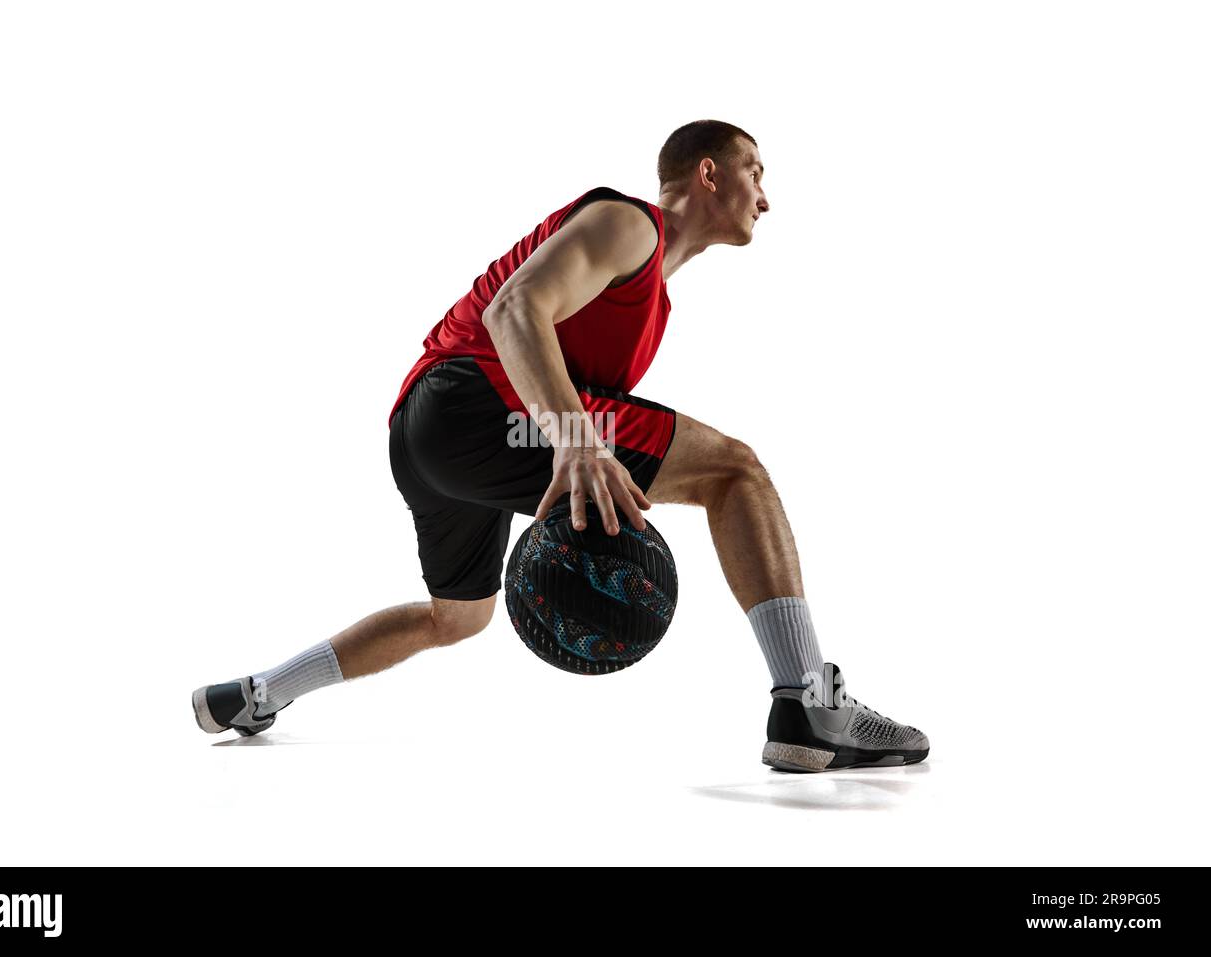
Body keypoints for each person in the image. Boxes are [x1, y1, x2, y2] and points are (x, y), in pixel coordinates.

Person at [192, 119, 929, 772]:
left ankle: (259, 694)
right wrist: (575, 440)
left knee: (455, 617)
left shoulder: (651, 295)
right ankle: (808, 703)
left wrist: (567, 432)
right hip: (474, 400)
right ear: (709, 172)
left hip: (424, 435)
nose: (765, 197)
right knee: (736, 471)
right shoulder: (630, 225)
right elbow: (517, 308)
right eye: (755, 172)